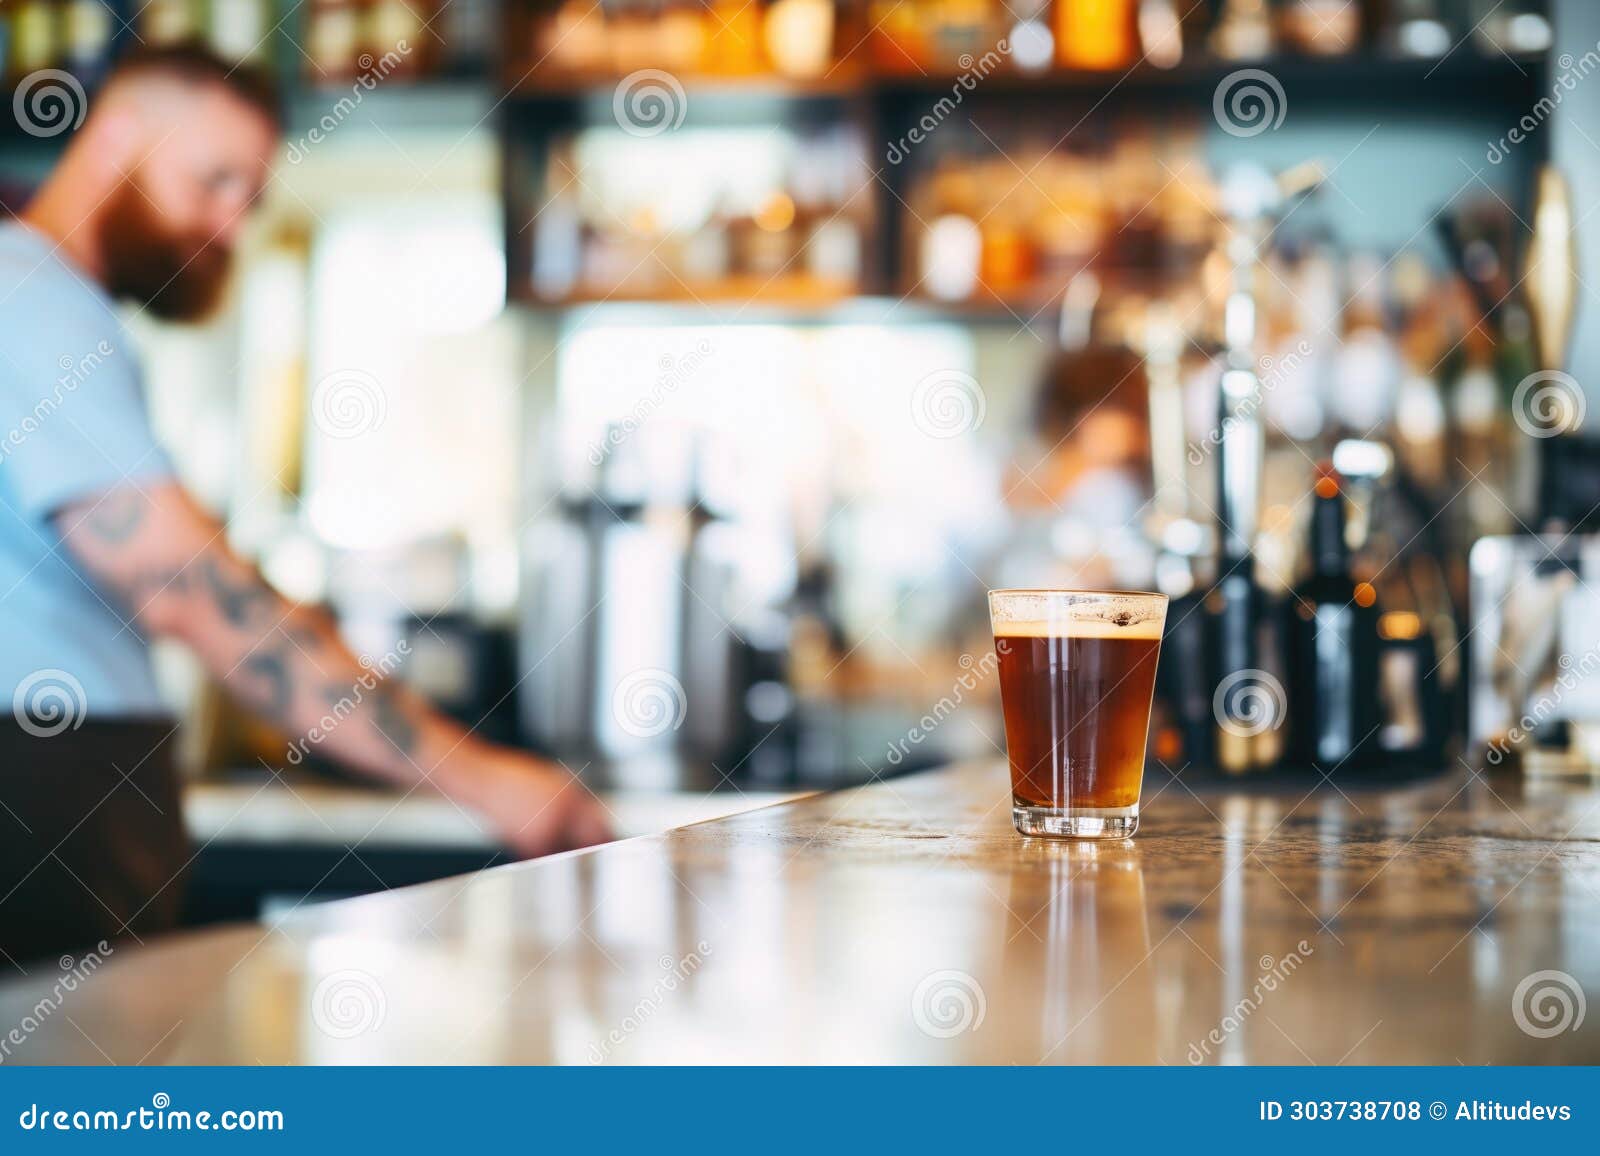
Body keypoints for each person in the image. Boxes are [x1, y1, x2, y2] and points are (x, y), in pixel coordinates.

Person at [0, 44, 610, 966]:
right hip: (45, 798)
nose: (229, 226)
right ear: (115, 132)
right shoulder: (33, 300)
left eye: (249, 201)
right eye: (213, 181)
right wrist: (485, 778)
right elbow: (190, 591)